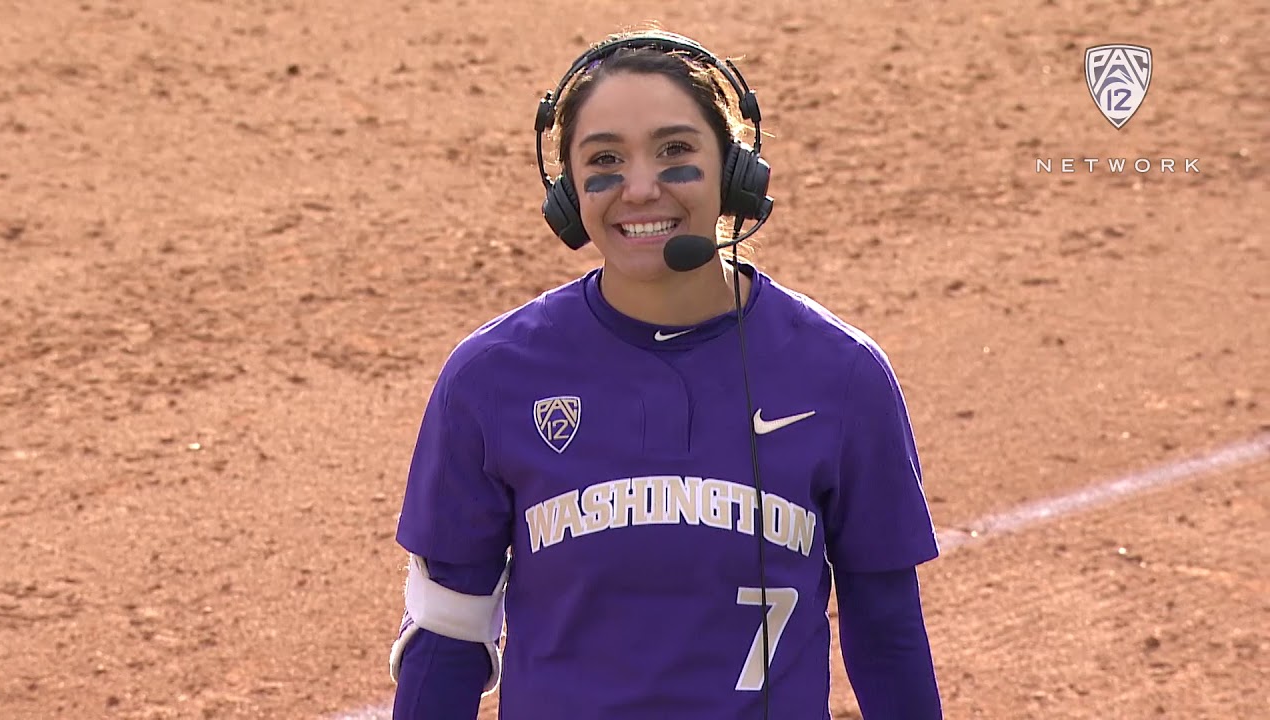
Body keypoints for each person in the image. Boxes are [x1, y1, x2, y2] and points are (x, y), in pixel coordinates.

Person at [387, 28, 943, 720]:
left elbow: (887, 632)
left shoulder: (840, 376)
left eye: (675, 151)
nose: (640, 188)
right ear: (567, 193)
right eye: (605, 160)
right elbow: (447, 639)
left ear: (736, 170)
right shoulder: (493, 378)